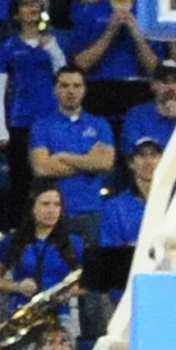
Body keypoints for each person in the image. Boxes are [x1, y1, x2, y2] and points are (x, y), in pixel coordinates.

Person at [0, 0, 64, 216]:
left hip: (50, 121)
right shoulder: (8, 47)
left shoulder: (52, 41)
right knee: (21, 179)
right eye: (26, 4)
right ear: (15, 14)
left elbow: (64, 75)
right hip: (21, 120)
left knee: (50, 179)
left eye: (35, 4)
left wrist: (52, 49)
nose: (32, 8)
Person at [29, 66, 114, 247]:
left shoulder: (100, 125)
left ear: (84, 89)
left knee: (91, 271)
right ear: (55, 89)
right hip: (56, 211)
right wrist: (88, 160)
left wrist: (63, 156)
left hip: (92, 211)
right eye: (65, 86)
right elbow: (42, 167)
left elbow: (105, 163)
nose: (71, 91)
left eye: (77, 86)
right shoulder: (42, 126)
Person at [0, 181, 84, 333]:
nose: (51, 210)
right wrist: (17, 286)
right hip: (22, 314)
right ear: (32, 208)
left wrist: (70, 291)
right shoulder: (13, 241)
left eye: (56, 205)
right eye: (45, 204)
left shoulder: (74, 242)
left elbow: (90, 282)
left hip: (59, 316)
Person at [68, 0, 157, 82]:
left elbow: (154, 69)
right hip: (98, 84)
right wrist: (109, 33)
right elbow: (80, 64)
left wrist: (137, 35)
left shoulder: (147, 14)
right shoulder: (89, 11)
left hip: (138, 85)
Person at [102, 136, 163, 247]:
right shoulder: (115, 207)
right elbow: (112, 252)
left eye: (153, 155)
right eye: (142, 155)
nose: (148, 162)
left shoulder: (175, 204)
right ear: (131, 163)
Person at [120, 59, 176, 157]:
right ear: (153, 85)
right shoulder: (137, 114)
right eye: (165, 81)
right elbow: (133, 154)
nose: (170, 87)